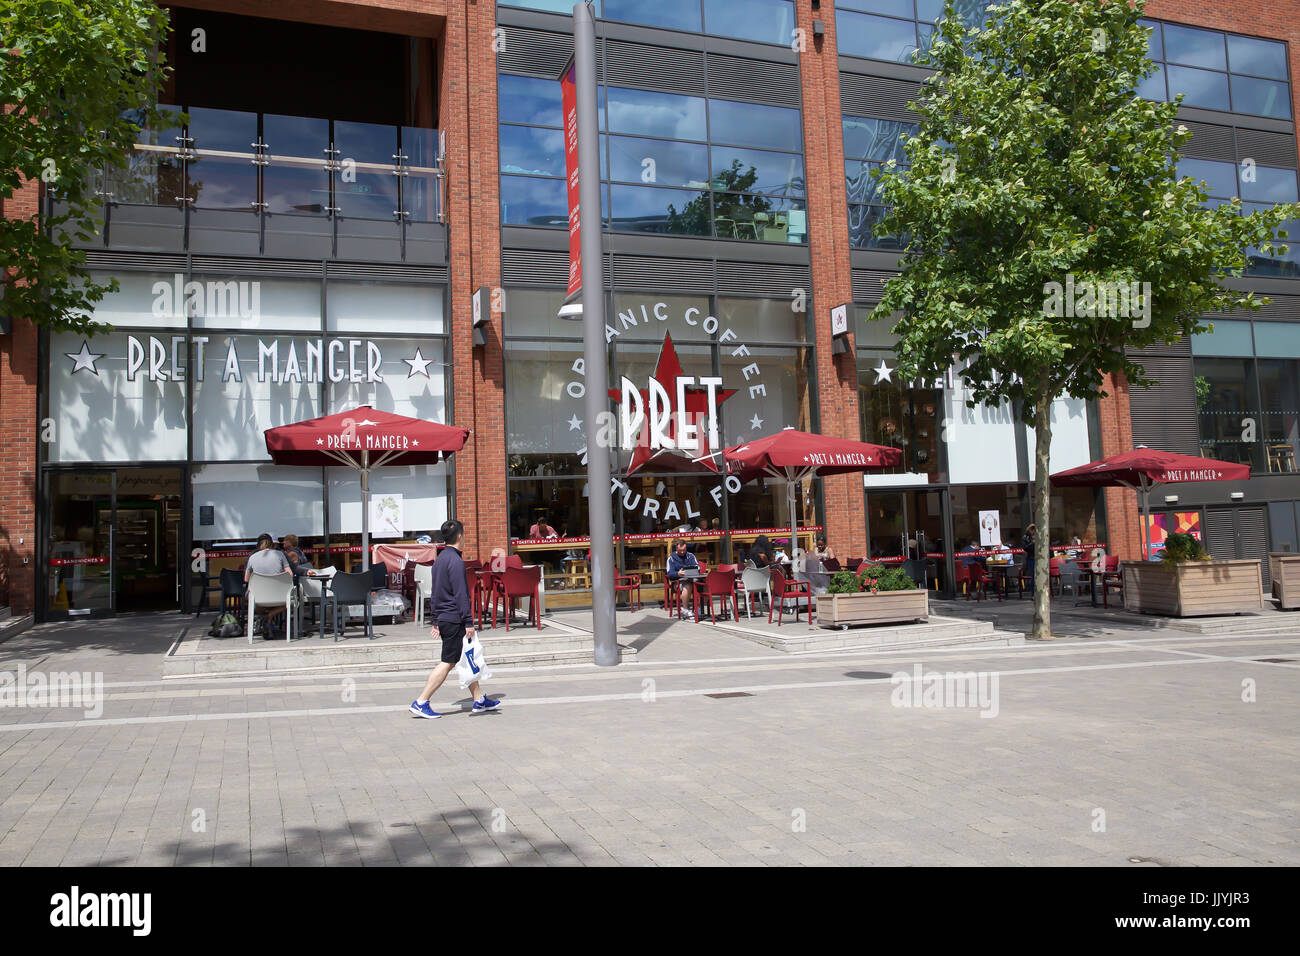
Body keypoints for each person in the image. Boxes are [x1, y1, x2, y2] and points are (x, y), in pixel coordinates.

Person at [409, 519, 500, 718]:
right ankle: (421, 701)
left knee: (466, 657)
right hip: (453, 618)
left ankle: (479, 699)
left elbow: (435, 593)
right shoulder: (456, 561)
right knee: (448, 662)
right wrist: (469, 621)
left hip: (444, 617)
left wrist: (435, 620)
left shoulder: (440, 560)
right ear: (460, 536)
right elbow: (461, 595)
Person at [244, 533, 291, 639]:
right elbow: (290, 574)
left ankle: (265, 618)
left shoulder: (252, 557)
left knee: (253, 599)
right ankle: (269, 617)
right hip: (280, 596)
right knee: (292, 601)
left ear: (258, 545)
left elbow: (246, 579)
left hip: (259, 597)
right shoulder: (280, 555)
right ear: (272, 544)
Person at [666, 539, 701, 621]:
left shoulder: (690, 556)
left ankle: (698, 608)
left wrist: (693, 570)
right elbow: (669, 573)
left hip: (692, 579)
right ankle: (685, 609)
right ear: (676, 549)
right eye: (680, 550)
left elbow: (697, 567)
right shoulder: (671, 559)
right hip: (678, 582)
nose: (682, 552)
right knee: (687, 586)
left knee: (704, 586)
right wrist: (678, 573)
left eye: (684, 550)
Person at [1022, 524, 1037, 595]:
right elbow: (1025, 548)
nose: (1033, 532)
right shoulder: (1025, 538)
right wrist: (1032, 543)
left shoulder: (1038, 536)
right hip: (1031, 558)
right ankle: (1033, 593)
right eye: (1033, 530)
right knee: (1033, 576)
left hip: (1038, 557)